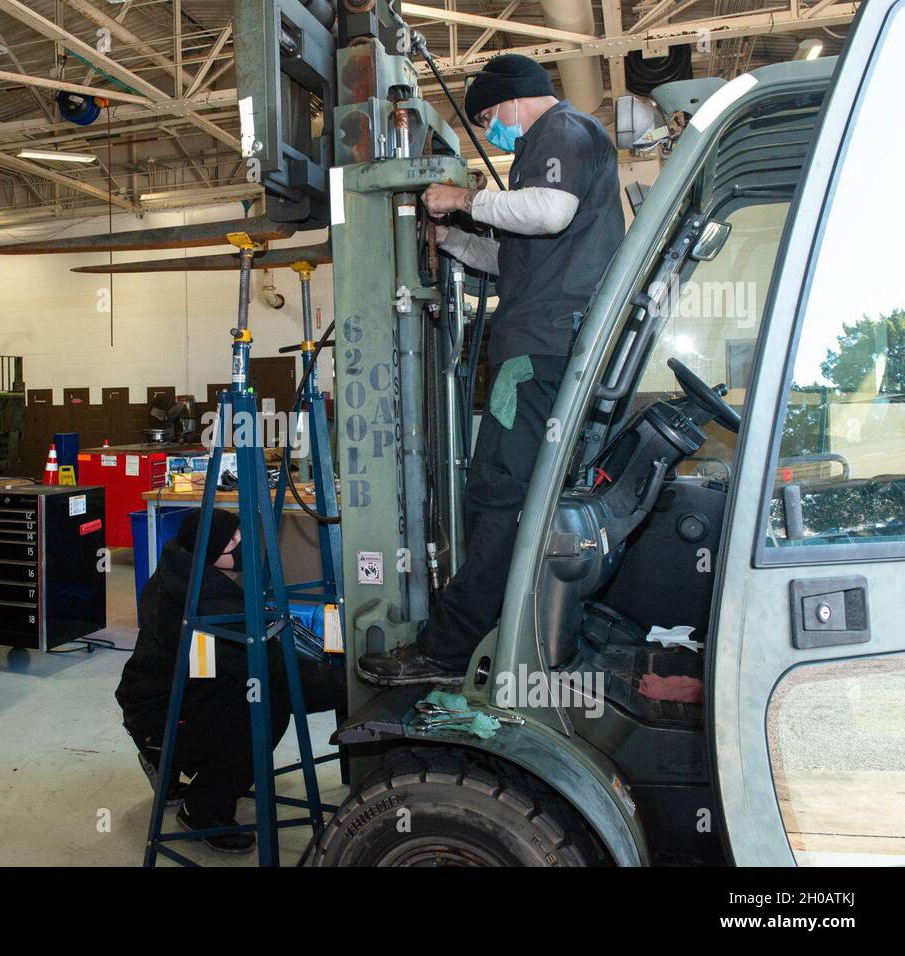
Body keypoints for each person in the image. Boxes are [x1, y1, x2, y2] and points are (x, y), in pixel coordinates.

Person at [357, 53, 625, 686]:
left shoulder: (559, 131)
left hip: (535, 355)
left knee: (497, 499)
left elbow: (546, 211)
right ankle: (497, 630)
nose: (495, 132)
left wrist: (463, 198)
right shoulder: (567, 153)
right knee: (510, 499)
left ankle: (444, 651)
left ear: (508, 103)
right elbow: (516, 260)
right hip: (550, 346)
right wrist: (450, 240)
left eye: (487, 119)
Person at [116, 508, 344, 853]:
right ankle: (204, 811)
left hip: (145, 703)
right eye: (232, 542)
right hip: (162, 717)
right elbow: (276, 674)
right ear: (208, 551)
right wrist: (347, 684)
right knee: (267, 709)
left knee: (236, 688)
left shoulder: (176, 575)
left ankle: (164, 759)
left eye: (239, 536)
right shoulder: (210, 607)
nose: (241, 546)